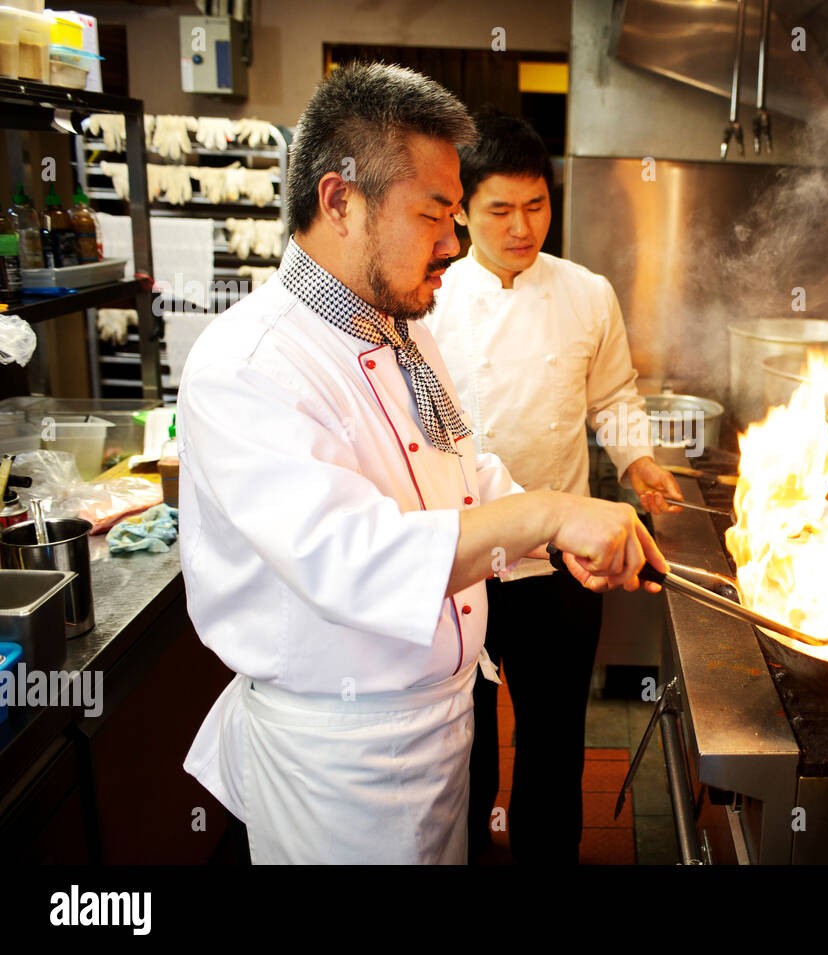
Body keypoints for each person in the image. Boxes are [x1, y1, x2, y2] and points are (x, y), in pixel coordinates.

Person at [178, 64, 664, 865]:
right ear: (341, 201)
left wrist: (561, 532)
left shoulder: (400, 328)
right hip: (343, 766)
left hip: (433, 729)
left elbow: (467, 473)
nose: (454, 243)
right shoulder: (249, 364)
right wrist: (549, 514)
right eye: (436, 215)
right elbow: (356, 560)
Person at [427, 110, 682, 863]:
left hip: (561, 561)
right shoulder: (427, 298)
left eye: (535, 205)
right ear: (463, 208)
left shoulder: (585, 293)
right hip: (460, 554)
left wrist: (639, 461)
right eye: (499, 209)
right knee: (460, 736)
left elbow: (613, 396)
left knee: (553, 732)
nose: (520, 227)